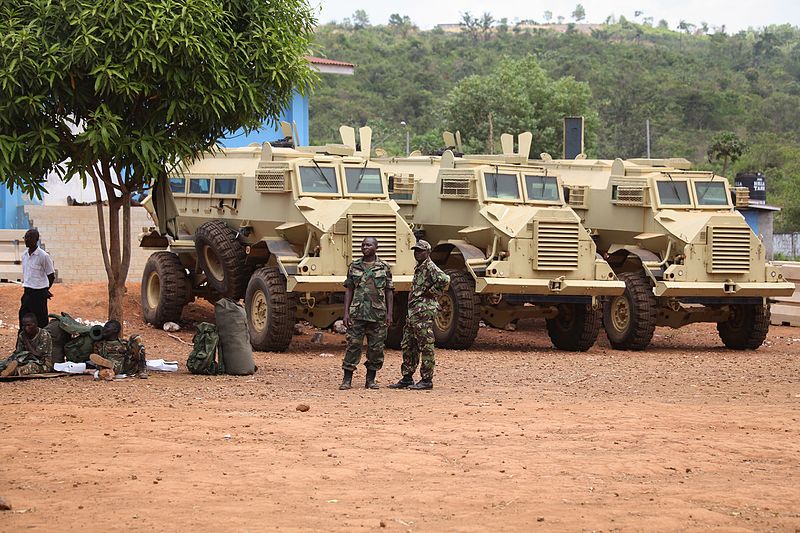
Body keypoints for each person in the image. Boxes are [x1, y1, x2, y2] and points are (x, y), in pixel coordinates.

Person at [389, 240, 450, 391]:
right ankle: (407, 377)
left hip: (423, 313)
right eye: (416, 251)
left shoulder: (430, 267)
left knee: (426, 345)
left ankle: (426, 379)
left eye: (421, 251)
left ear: (428, 252)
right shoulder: (419, 267)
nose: (417, 253)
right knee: (408, 344)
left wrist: (432, 293)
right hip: (413, 313)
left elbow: (445, 279)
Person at [339, 237, 394, 390]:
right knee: (353, 346)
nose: (365, 247)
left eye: (368, 245)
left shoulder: (384, 267)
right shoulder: (354, 266)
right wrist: (346, 313)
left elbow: (389, 291)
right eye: (363, 245)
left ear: (377, 247)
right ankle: (347, 380)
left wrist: (389, 314)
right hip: (357, 314)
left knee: (376, 348)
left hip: (378, 315)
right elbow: (349, 290)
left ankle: (370, 380)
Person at [19, 228, 55, 328]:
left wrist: (45, 289)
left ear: (36, 239)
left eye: (29, 238)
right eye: (25, 237)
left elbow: (51, 276)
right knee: (23, 319)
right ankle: (23, 342)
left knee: (41, 320)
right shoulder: (24, 255)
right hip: (27, 292)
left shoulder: (44, 256)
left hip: (39, 294)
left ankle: (42, 342)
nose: (26, 240)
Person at [0, 313, 53, 377]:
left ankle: (11, 371)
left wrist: (26, 340)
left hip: (42, 362)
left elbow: (38, 355)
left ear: (36, 324)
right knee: (6, 362)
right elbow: (19, 352)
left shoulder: (44, 335)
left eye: (29, 325)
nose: (26, 328)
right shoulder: (22, 335)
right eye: (24, 326)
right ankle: (8, 368)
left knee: (29, 368)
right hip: (25, 359)